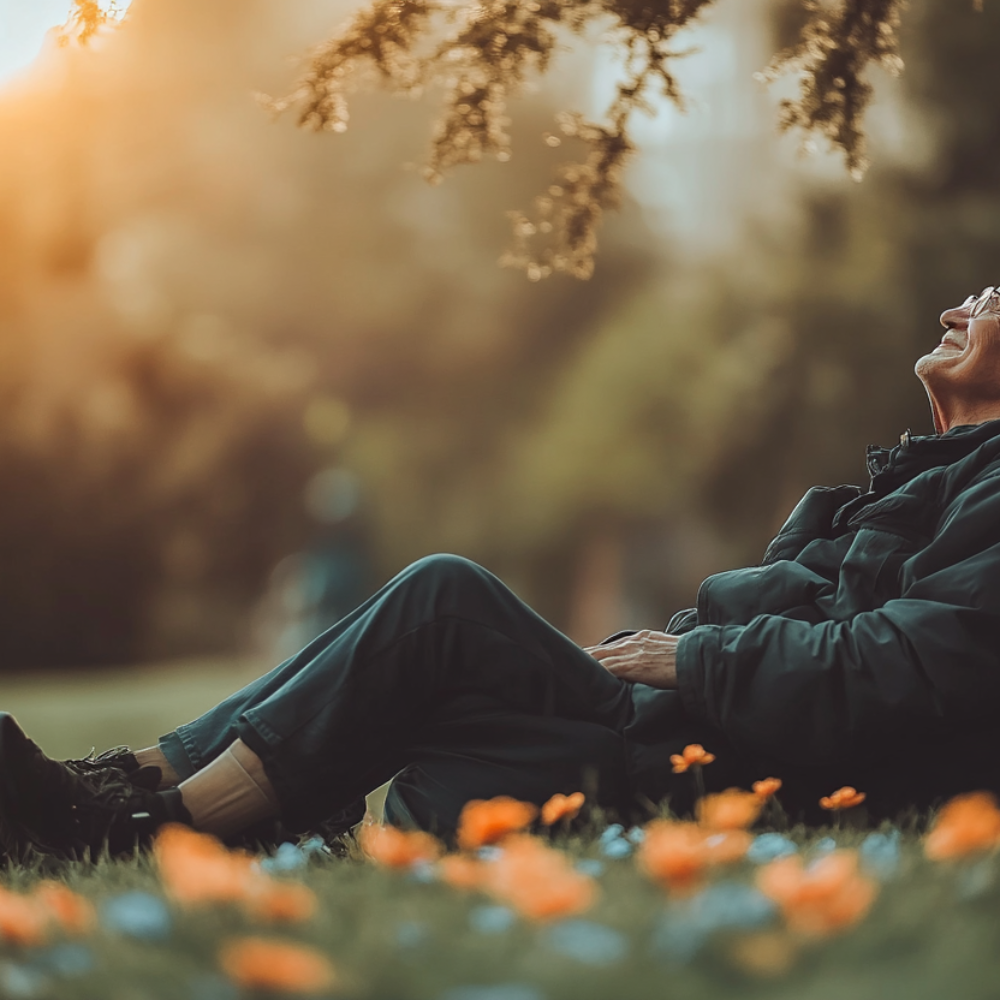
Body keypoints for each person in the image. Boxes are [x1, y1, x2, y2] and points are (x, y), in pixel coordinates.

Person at [4, 287, 1000, 862]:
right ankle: (130, 779)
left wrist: (695, 659)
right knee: (434, 754)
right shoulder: (925, 473)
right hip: (697, 731)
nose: (962, 303)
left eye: (992, 299)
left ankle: (153, 827)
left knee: (443, 601)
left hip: (735, 756)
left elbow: (912, 666)